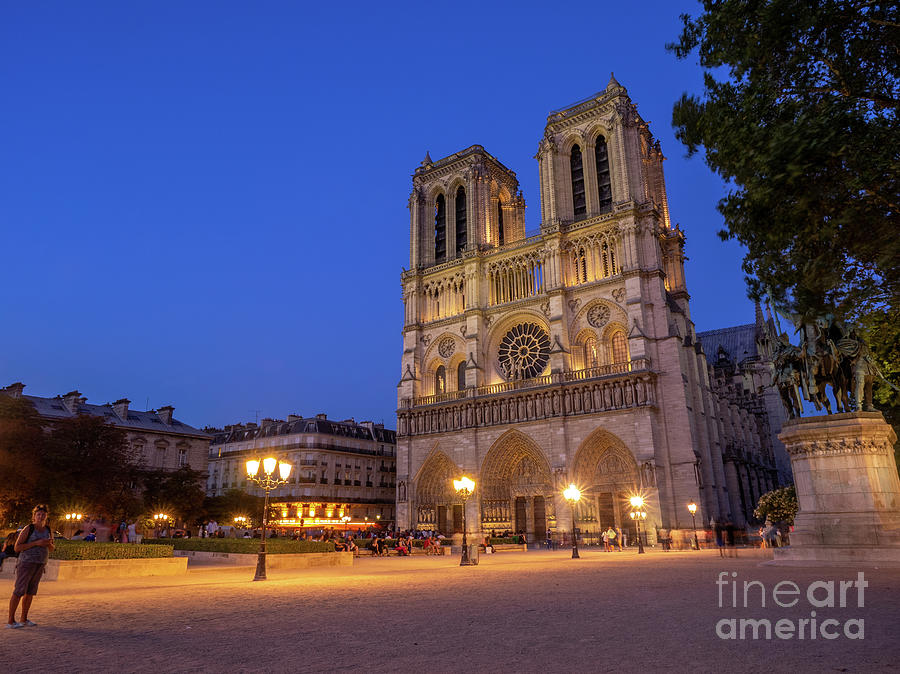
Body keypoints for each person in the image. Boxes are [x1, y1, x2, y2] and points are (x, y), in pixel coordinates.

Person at [7, 505, 54, 629]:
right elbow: (17, 547)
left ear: (46, 516)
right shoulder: (29, 528)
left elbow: (52, 548)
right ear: (34, 516)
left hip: (40, 563)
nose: (41, 516)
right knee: (19, 591)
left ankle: (24, 619)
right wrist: (37, 543)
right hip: (26, 563)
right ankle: (11, 621)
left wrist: (48, 544)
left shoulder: (48, 529)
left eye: (43, 514)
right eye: (38, 514)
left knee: (30, 592)